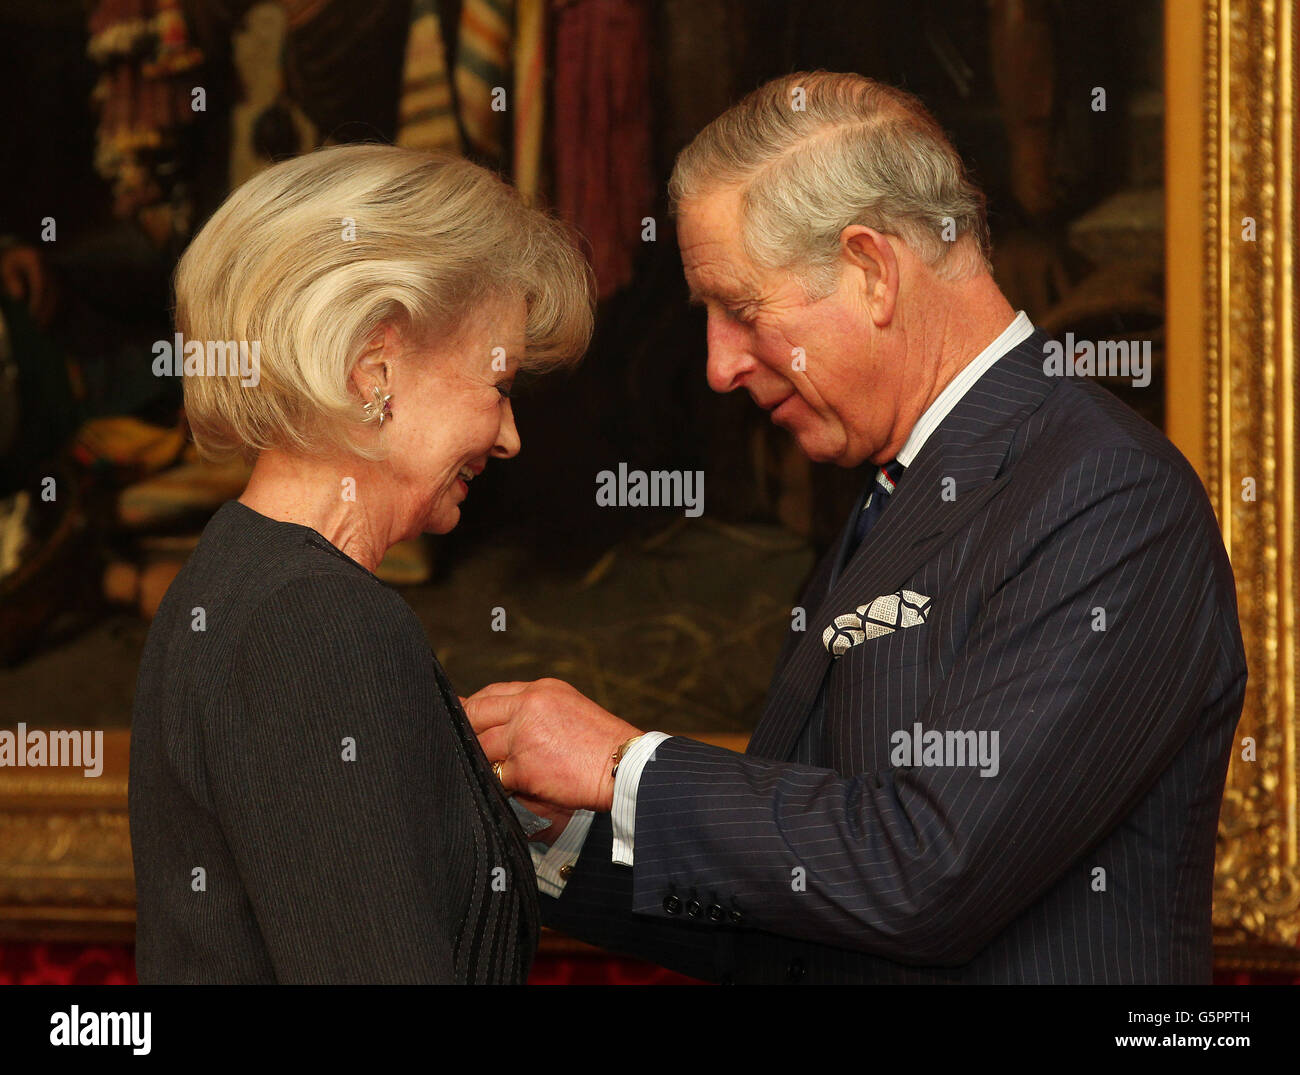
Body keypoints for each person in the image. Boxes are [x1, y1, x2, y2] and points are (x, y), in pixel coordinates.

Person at [466, 72, 1248, 984]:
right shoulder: (894, 494)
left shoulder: (1110, 498)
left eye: (741, 309)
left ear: (872, 270)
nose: (719, 366)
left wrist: (620, 762)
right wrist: (528, 830)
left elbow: (927, 873)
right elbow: (794, 901)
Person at [129, 144, 593, 983]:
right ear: (375, 366)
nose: (510, 435)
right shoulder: (316, 621)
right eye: (499, 384)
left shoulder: (235, 576)